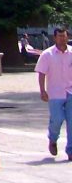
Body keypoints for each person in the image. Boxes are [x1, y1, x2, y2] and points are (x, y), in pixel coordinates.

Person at [36, 26, 72, 158]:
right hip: (55, 93)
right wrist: (42, 90)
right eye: (60, 36)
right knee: (57, 119)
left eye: (65, 36)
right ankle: (53, 138)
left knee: (71, 122)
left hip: (70, 92)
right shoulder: (47, 54)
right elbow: (41, 73)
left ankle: (71, 150)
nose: (63, 39)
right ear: (55, 38)